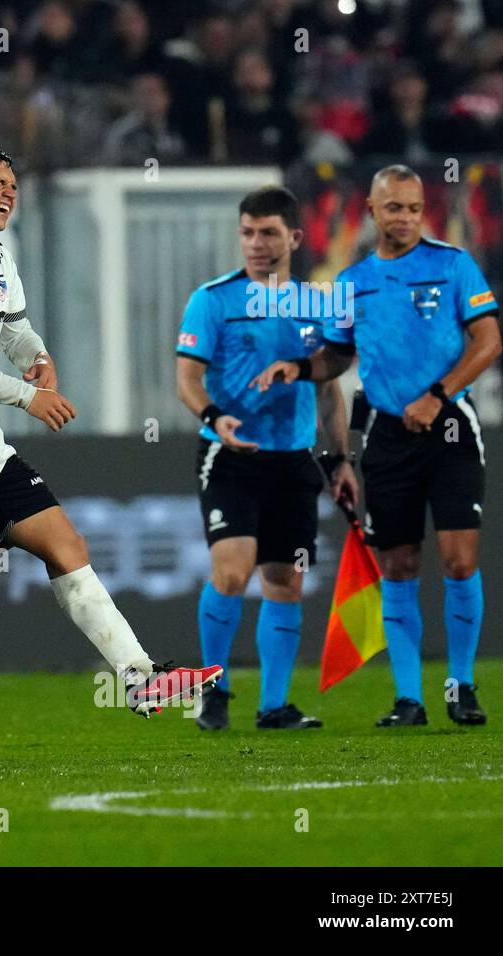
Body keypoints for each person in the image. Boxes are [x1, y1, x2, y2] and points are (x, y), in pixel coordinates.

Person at [0, 146, 223, 764]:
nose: (8, 194)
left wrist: (37, 357)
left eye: (13, 185)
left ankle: (137, 675)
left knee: (67, 546)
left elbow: (12, 324)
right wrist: (27, 395)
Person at [254, 165, 501, 727]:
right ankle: (409, 699)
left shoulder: (453, 265)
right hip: (388, 434)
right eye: (395, 208)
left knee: (461, 561)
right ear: (372, 210)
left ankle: (460, 684)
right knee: (398, 563)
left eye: (414, 208)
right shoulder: (351, 282)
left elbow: (489, 340)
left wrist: (439, 395)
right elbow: (338, 356)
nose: (407, 218)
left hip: (450, 427)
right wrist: (298, 366)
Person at [175, 186, 358, 731]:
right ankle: (214, 689)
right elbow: (187, 377)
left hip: (294, 460)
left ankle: (274, 705)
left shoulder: (319, 305)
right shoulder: (213, 299)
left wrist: (340, 459)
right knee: (231, 573)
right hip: (231, 454)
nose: (256, 243)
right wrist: (213, 418)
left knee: (286, 581)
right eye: (248, 232)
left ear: (295, 238)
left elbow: (329, 389)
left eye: (268, 233)